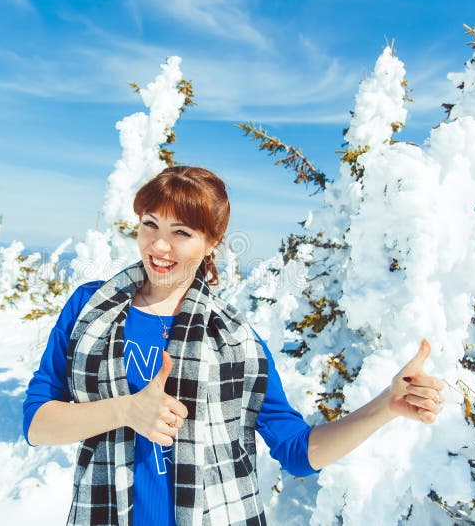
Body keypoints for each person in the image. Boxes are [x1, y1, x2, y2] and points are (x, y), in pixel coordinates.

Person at [22, 166, 444, 526]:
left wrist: (385, 407)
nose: (158, 245)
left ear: (211, 243)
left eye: (181, 232)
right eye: (149, 223)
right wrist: (126, 410)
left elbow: (297, 451)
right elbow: (37, 424)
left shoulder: (236, 340)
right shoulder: (90, 308)